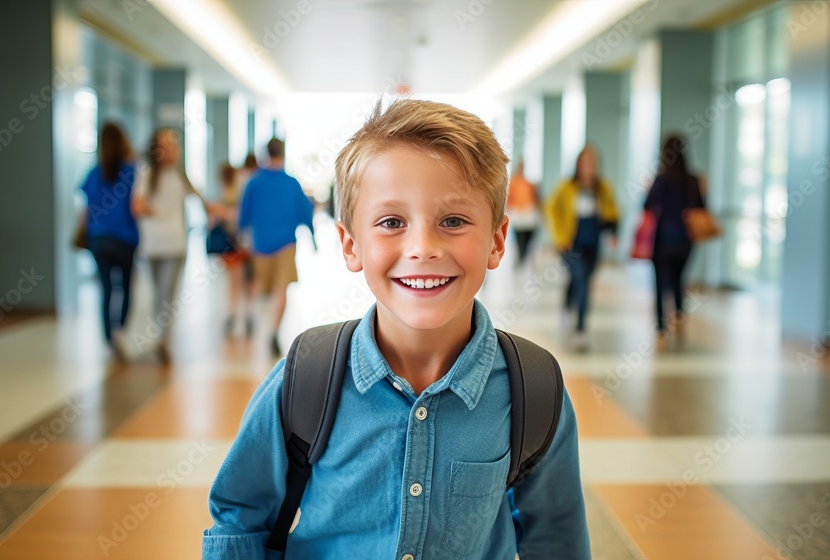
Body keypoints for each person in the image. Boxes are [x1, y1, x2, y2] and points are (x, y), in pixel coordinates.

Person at [203, 99, 590, 559]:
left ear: (497, 240)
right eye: (391, 222)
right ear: (350, 245)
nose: (422, 247)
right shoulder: (308, 379)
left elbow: (557, 536)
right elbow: (241, 519)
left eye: (453, 221)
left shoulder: (534, 390)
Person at [132, 128, 207, 364]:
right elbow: (137, 206)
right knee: (158, 296)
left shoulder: (179, 175)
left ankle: (163, 341)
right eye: (165, 145)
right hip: (151, 245)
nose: (171, 149)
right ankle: (159, 337)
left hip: (175, 246)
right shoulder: (145, 172)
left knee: (166, 294)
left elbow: (200, 199)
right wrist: (152, 210)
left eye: (174, 144)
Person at [237, 138, 314, 356]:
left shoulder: (254, 182)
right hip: (286, 244)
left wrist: (240, 234)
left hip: (260, 243)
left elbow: (244, 213)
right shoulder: (291, 183)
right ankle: (273, 331)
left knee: (261, 286)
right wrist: (313, 236)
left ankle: (256, 320)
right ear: (283, 153)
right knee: (281, 289)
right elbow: (305, 211)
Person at [545, 145, 619, 351]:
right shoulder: (567, 187)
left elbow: (612, 211)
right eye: (585, 163)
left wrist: (613, 234)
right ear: (578, 165)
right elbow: (551, 209)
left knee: (582, 280)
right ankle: (580, 329)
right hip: (571, 244)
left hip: (592, 243)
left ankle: (569, 308)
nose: (589, 167)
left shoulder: (602, 188)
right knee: (581, 281)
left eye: (592, 163)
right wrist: (560, 236)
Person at [80, 122, 138, 360]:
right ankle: (119, 332)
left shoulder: (94, 173)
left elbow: (86, 206)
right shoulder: (131, 172)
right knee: (125, 288)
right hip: (124, 239)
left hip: (98, 239)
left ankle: (107, 338)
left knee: (106, 289)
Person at [644, 134, 705, 344]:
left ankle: (661, 327)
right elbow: (701, 208)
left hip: (663, 239)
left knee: (661, 282)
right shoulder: (693, 180)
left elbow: (646, 205)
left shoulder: (661, 179)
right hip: (686, 240)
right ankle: (679, 315)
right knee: (679, 279)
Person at [210, 154, 258, 337]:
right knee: (246, 281)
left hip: (237, 240)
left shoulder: (231, 187)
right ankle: (246, 314)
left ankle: (237, 314)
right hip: (247, 240)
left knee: (236, 280)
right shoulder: (248, 183)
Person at [506, 160, 540, 267]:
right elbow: (509, 198)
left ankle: (523, 256)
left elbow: (535, 197)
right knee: (520, 239)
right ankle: (521, 258)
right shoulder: (513, 183)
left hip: (529, 214)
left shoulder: (529, 183)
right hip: (518, 215)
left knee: (529, 237)